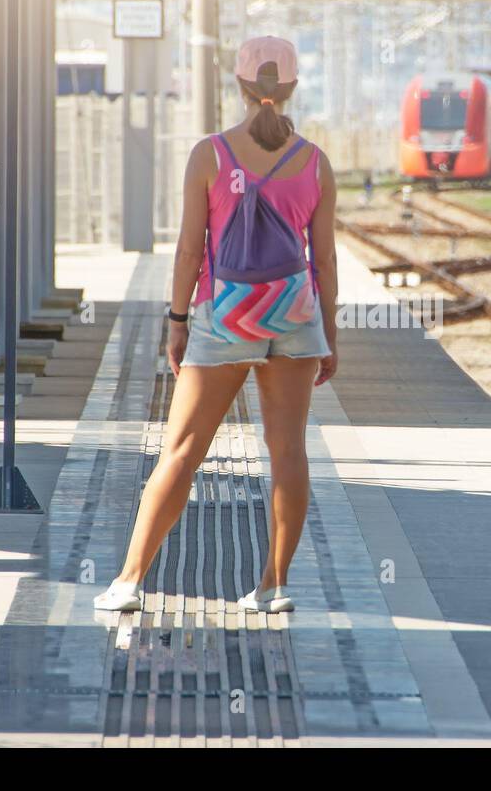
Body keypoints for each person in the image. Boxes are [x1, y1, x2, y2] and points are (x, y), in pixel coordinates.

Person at [94, 36, 338, 614]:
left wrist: (178, 320)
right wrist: (328, 336)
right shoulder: (315, 162)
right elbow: (323, 260)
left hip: (225, 316)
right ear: (293, 89)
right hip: (295, 315)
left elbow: (188, 250)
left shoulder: (210, 155)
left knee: (181, 449)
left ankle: (129, 583)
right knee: (288, 454)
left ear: (240, 86)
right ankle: (274, 586)